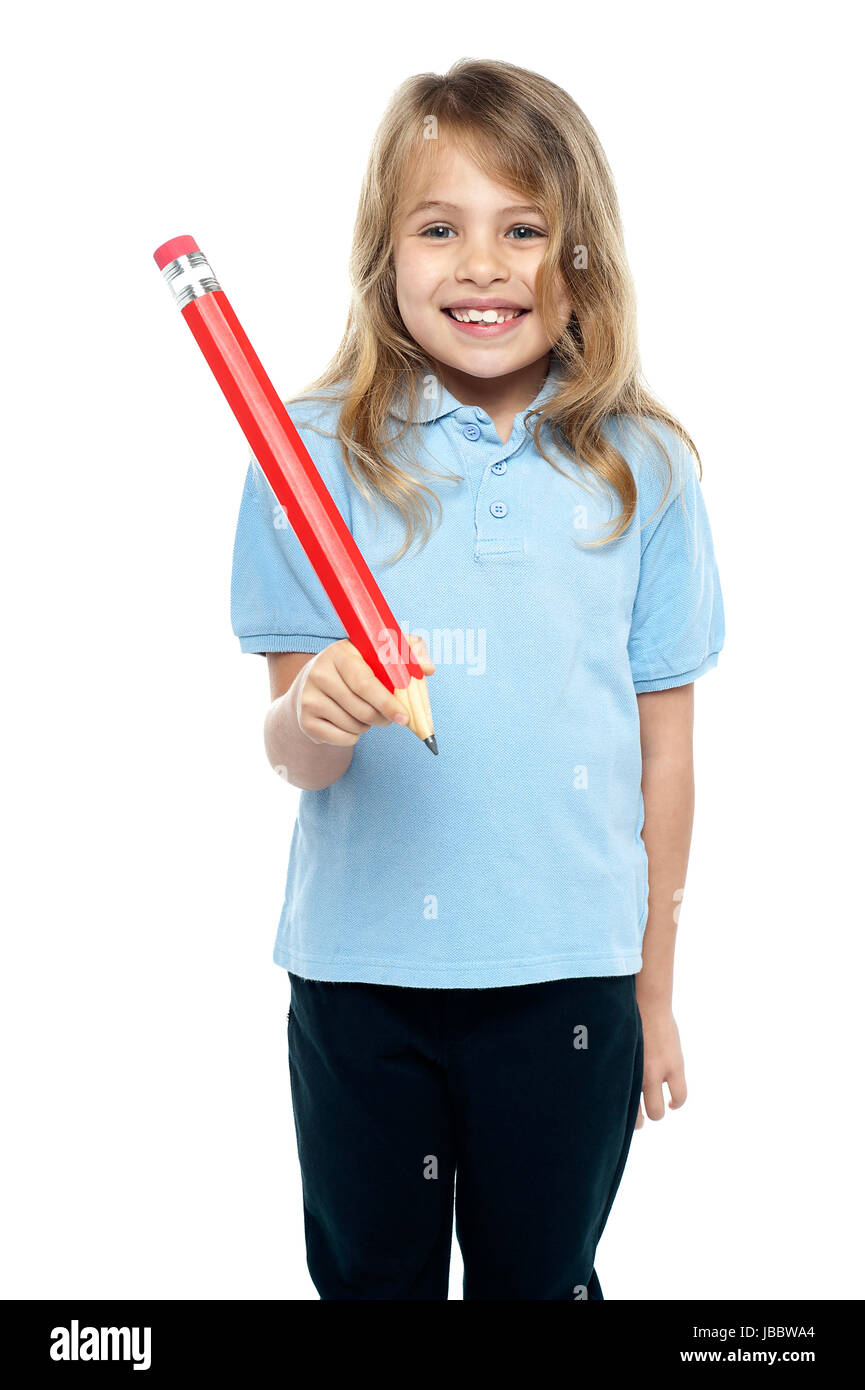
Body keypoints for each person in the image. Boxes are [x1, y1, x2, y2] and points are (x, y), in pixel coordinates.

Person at [230, 58, 725, 1300]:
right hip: (360, 979)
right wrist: (316, 712)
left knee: (543, 1280)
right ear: (382, 256)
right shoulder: (307, 457)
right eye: (438, 228)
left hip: (568, 977)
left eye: (523, 230)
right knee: (369, 1282)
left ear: (580, 260)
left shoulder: (645, 467)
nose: (482, 264)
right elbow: (290, 750)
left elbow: (664, 755)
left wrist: (653, 990)